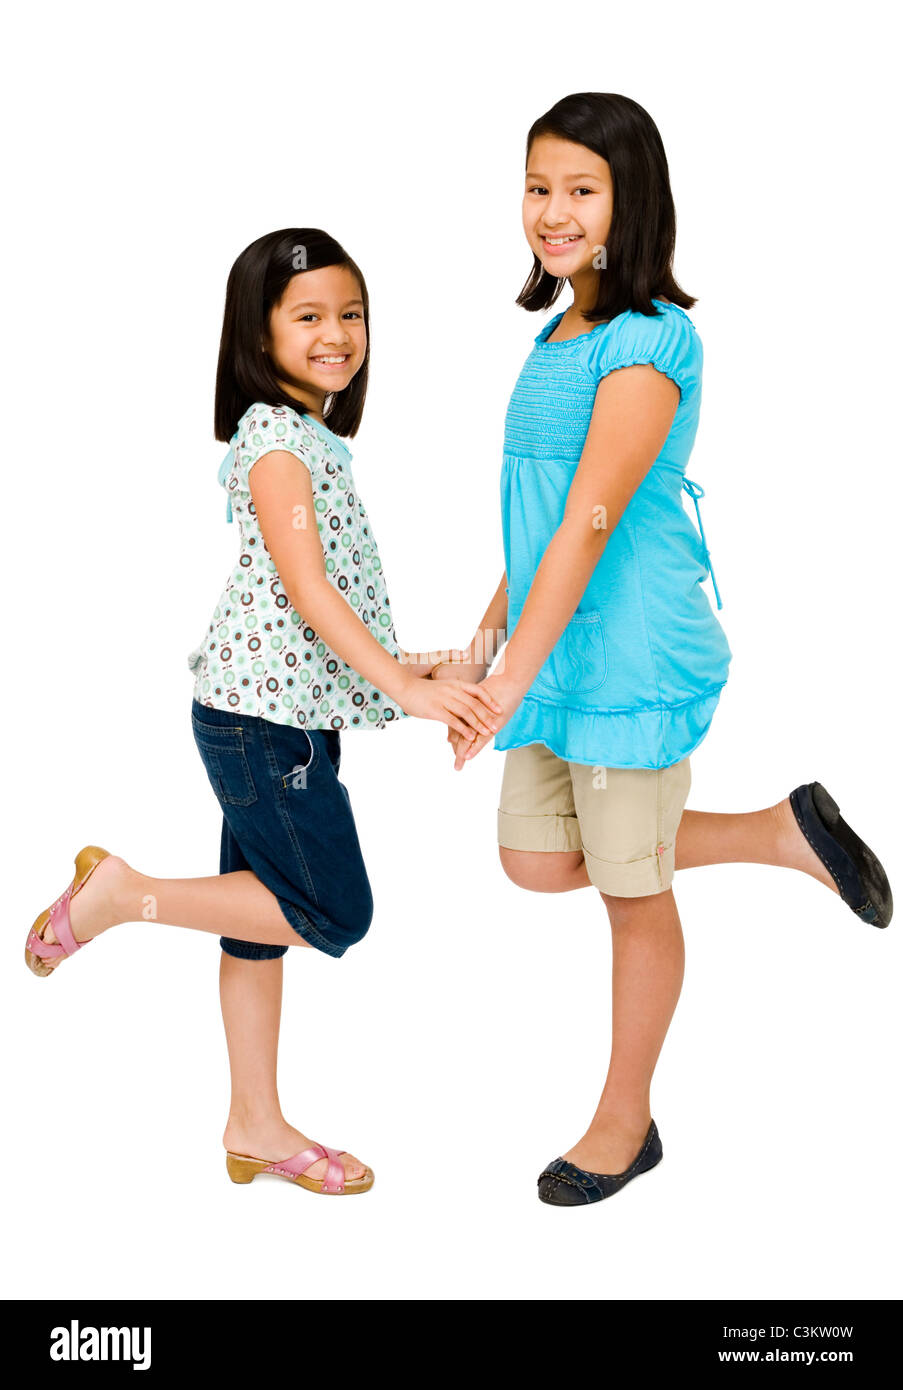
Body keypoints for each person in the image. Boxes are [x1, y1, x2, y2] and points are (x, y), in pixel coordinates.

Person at [438, 92, 894, 1208]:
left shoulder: (650, 340)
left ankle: (623, 1122)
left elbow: (595, 516)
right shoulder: (559, 333)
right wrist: (492, 622)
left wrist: (503, 683)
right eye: (538, 187)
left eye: (580, 190)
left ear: (630, 200)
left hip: (627, 654)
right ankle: (780, 831)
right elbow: (543, 509)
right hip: (558, 646)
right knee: (539, 858)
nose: (552, 212)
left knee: (630, 888)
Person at [24, 228, 502, 1199]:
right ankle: (122, 895)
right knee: (333, 911)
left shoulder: (310, 437)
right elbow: (313, 592)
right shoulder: (277, 445)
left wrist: (436, 667)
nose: (338, 334)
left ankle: (255, 1124)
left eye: (351, 313)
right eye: (310, 317)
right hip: (258, 728)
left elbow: (311, 628)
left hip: (274, 714)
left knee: (259, 924)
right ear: (259, 332)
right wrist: (409, 691)